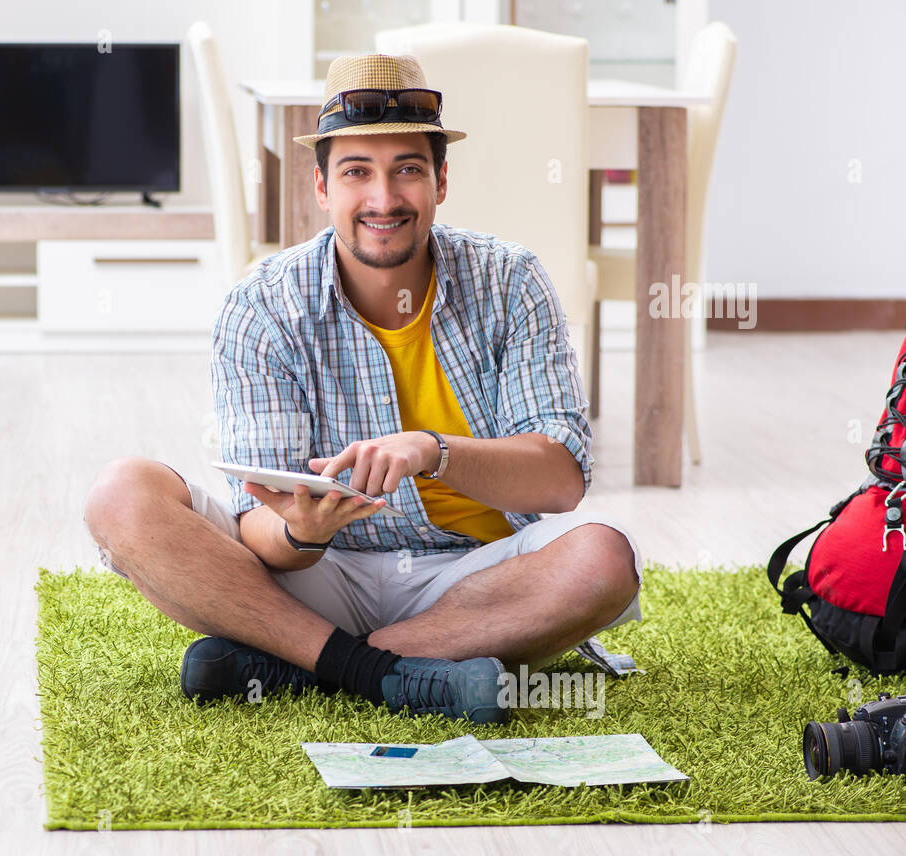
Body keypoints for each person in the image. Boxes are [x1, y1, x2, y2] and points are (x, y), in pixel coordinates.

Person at [83, 53, 642, 722]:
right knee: (120, 496)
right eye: (356, 172)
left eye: (407, 169)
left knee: (603, 558)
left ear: (440, 180)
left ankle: (306, 663)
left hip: (477, 578)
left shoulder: (512, 281)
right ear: (322, 186)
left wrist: (434, 450)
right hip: (313, 576)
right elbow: (259, 529)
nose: (383, 199)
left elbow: (561, 481)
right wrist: (300, 534)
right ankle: (399, 673)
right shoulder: (262, 306)